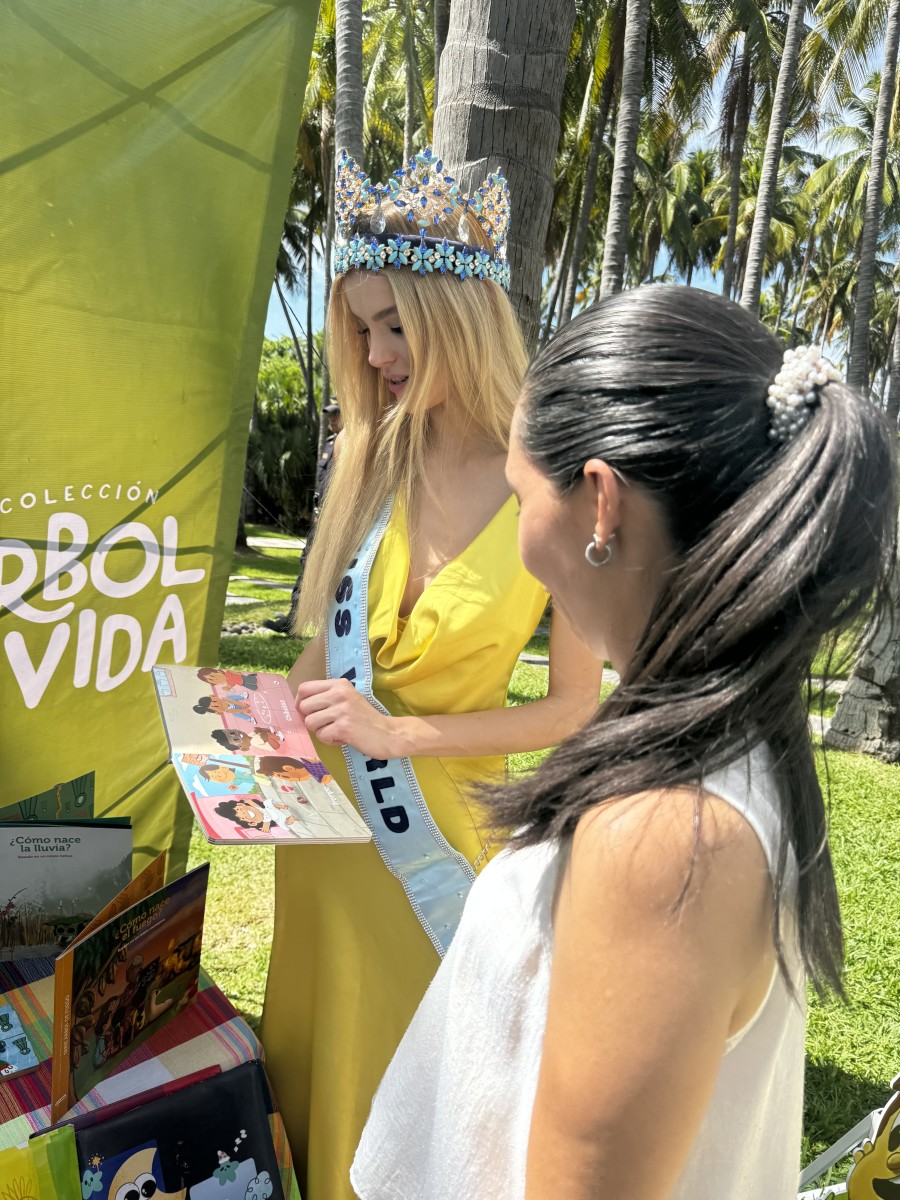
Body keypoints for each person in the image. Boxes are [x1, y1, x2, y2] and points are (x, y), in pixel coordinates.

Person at [349, 286, 898, 1200]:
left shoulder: (669, 835)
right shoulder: (717, 744)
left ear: (599, 505)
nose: (519, 537)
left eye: (524, 495)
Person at [258, 147, 604, 1200]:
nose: (374, 353)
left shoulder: (553, 481)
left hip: (440, 847)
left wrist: (402, 735)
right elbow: (324, 655)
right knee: (316, 1067)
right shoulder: (375, 455)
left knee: (420, 1110)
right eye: (361, 327)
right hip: (325, 841)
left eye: (395, 323)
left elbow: (572, 704)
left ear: (460, 314)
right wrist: (245, 734)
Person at [263, 402, 343, 634]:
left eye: (336, 415)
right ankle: (293, 621)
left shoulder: (355, 445)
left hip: (340, 523)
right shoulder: (331, 445)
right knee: (307, 566)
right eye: (329, 415)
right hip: (322, 520)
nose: (331, 420)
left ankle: (330, 628)